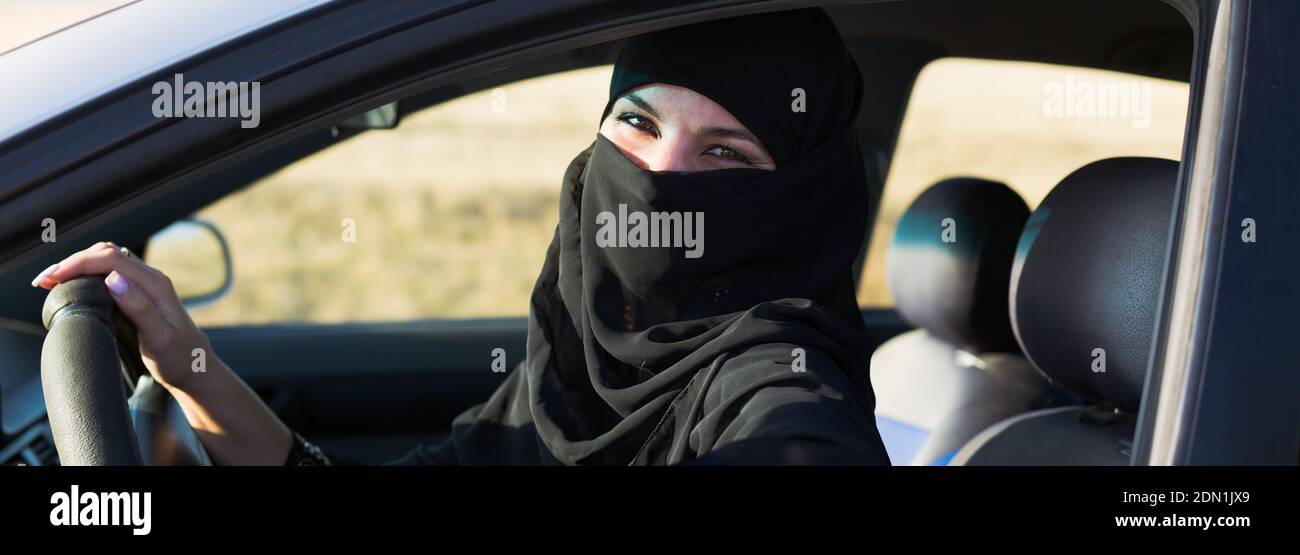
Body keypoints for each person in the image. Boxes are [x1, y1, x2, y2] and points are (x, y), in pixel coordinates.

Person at [30, 8, 890, 465]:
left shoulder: (777, 384)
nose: (659, 177)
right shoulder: (583, 362)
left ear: (795, 201)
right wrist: (189, 367)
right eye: (635, 120)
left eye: (726, 151)